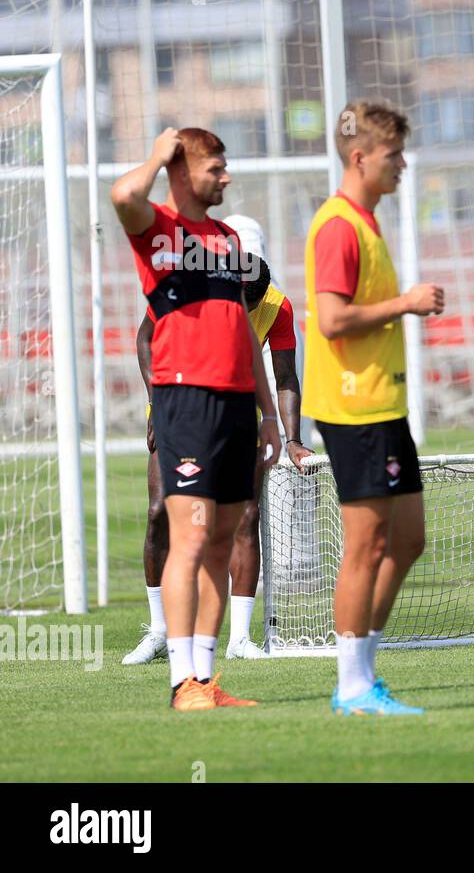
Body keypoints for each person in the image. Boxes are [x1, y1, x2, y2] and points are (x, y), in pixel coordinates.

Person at [111, 127, 281, 709]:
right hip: (188, 402)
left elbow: (245, 336)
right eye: (215, 167)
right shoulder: (158, 229)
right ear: (183, 173)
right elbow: (121, 196)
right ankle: (180, 680)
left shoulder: (230, 243)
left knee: (221, 540)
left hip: (238, 405)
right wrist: (160, 152)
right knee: (191, 537)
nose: (226, 177)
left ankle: (204, 678)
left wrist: (270, 417)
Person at [303, 100, 444, 715]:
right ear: (360, 157)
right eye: (393, 155)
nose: (402, 164)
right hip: (352, 408)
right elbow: (331, 320)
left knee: (407, 540)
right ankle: (353, 685)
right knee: (365, 546)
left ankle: (364, 674)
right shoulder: (338, 225)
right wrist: (406, 303)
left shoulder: (366, 220)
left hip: (382, 403)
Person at [122, 215, 313, 665]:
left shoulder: (275, 305)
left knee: (246, 517)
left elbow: (285, 377)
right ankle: (159, 632)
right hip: (177, 409)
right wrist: (157, 400)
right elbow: (145, 340)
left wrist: (292, 436)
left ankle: (241, 639)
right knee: (159, 514)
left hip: (236, 414)